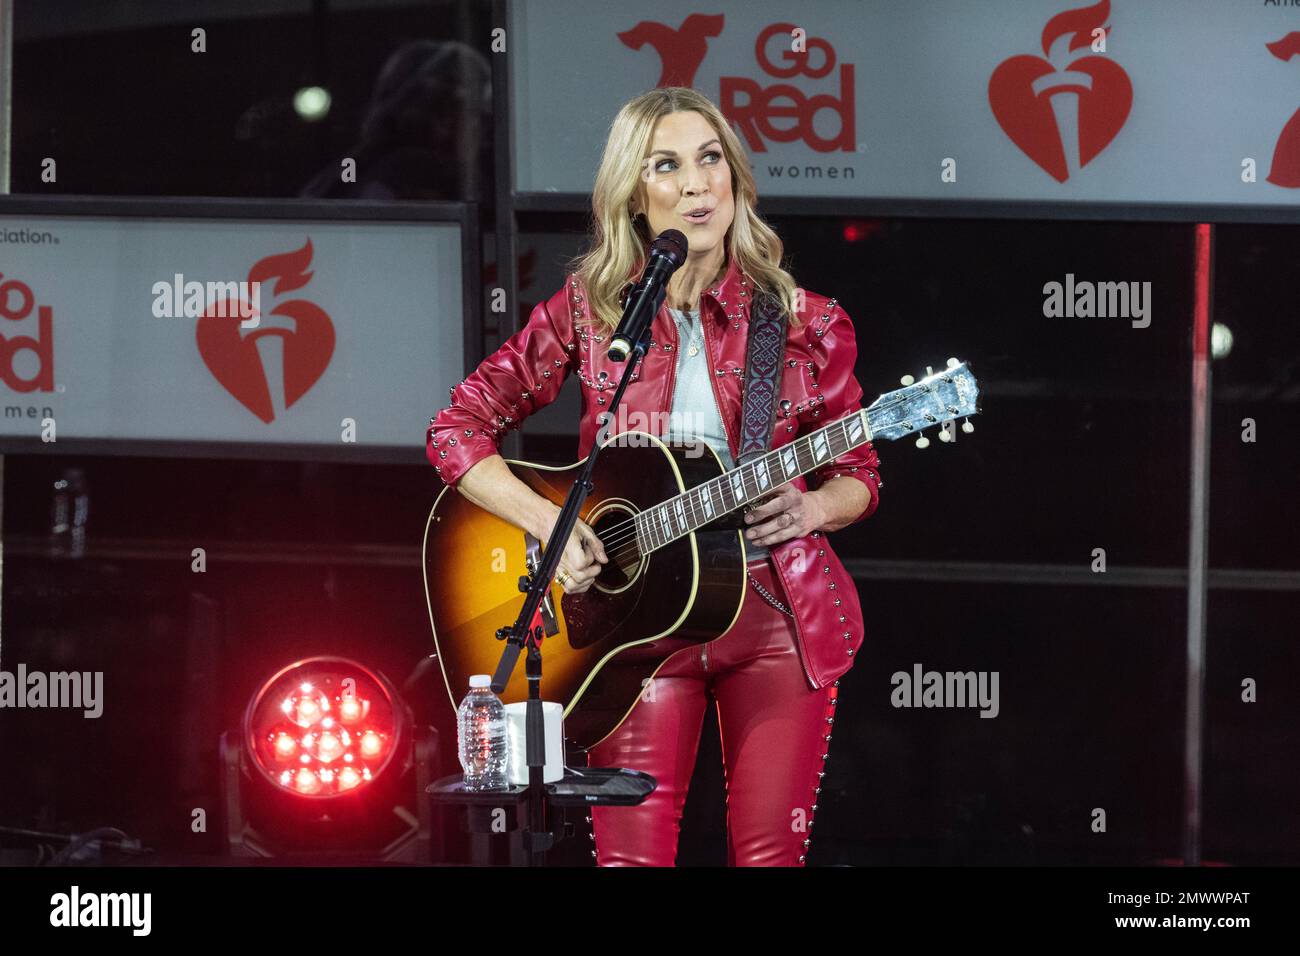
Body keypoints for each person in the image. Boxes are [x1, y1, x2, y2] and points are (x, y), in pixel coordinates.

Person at [427, 87, 882, 866]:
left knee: (771, 857)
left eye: (712, 159)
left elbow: (861, 473)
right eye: (668, 165)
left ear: (736, 178)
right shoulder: (590, 311)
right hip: (635, 634)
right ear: (635, 196)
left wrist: (812, 510)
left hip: (776, 617)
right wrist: (551, 524)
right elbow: (456, 431)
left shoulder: (805, 321)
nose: (698, 183)